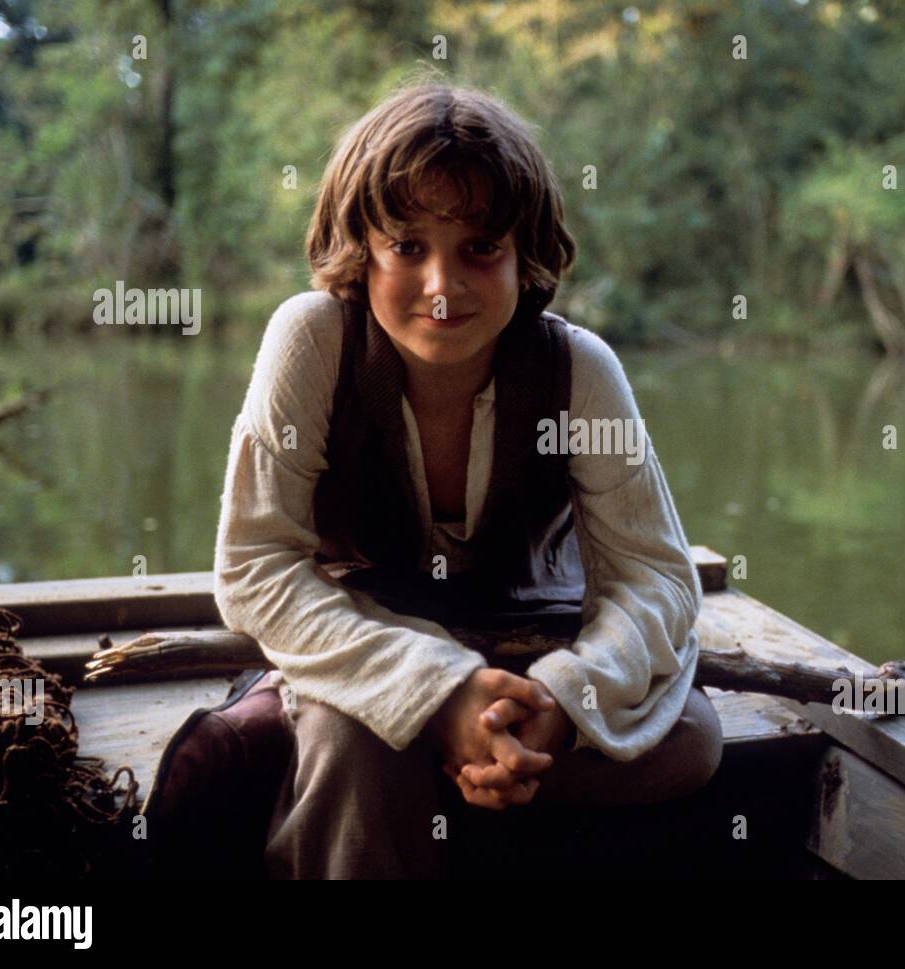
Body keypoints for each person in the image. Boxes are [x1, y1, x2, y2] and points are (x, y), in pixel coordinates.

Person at [212, 79, 723, 878]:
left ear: (526, 256)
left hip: (526, 645)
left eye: (480, 247)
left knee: (691, 740)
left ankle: (476, 776)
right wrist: (439, 693)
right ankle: (434, 777)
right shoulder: (312, 341)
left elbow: (656, 578)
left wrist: (561, 699)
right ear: (360, 250)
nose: (442, 287)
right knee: (356, 745)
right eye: (407, 247)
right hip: (364, 644)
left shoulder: (577, 368)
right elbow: (253, 568)